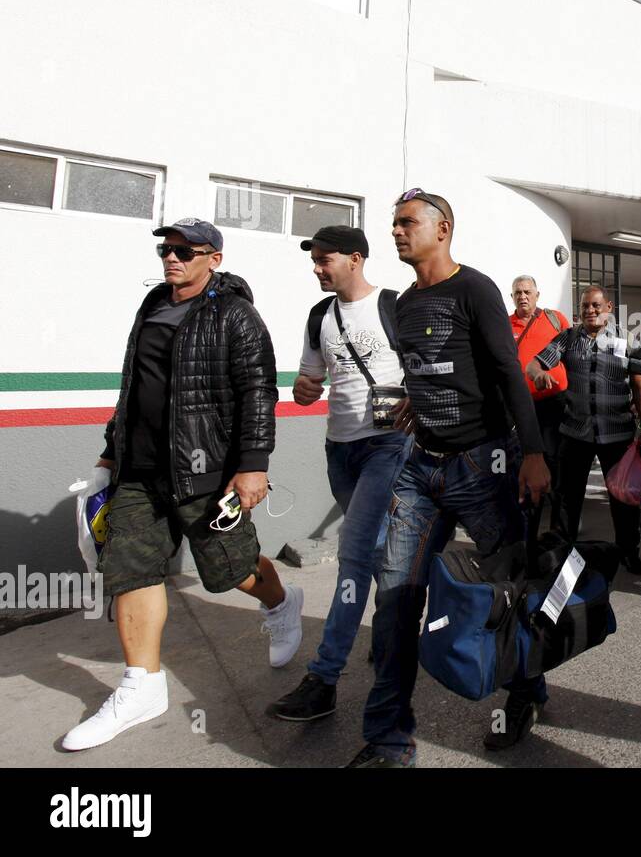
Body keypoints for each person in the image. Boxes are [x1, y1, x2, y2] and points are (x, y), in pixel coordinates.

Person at [64, 219, 301, 751]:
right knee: (130, 567)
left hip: (205, 469)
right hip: (137, 470)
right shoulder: (151, 305)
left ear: (213, 258)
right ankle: (141, 685)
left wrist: (253, 464)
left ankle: (282, 604)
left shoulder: (235, 315)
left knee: (232, 569)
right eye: (166, 249)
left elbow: (258, 392)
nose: (172, 259)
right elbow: (133, 386)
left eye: (185, 251)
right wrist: (109, 451)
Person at [348, 189, 551, 767]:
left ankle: (526, 693)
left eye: (407, 222)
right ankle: (389, 740)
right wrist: (417, 398)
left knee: (511, 589)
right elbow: (428, 367)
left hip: (482, 467)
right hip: (420, 470)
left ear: (444, 229)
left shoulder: (475, 289)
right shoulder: (405, 303)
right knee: (394, 598)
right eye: (393, 224)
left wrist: (532, 453)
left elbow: (508, 371)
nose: (395, 232)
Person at [269, 226, 412, 722]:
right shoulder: (319, 316)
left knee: (352, 555)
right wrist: (305, 390)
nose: (316, 267)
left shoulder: (395, 305)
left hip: (389, 446)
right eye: (314, 260)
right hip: (341, 451)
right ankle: (394, 634)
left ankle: (324, 678)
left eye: (325, 259)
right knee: (374, 550)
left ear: (356, 259)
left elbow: (427, 370)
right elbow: (309, 380)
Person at [527, 285, 641, 574]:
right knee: (567, 498)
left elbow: (639, 386)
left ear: (608, 307)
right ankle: (561, 552)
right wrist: (540, 374)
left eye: (596, 306)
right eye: (585, 307)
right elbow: (533, 364)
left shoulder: (627, 339)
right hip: (575, 432)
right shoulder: (569, 338)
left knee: (623, 498)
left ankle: (628, 551)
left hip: (618, 434)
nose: (590, 311)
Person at [509, 274, 571, 540]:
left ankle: (559, 525)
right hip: (522, 407)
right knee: (524, 462)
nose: (523, 296)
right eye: (518, 293)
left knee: (557, 463)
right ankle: (526, 525)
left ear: (537, 295)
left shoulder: (555, 319)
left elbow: (572, 354)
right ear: (512, 297)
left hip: (556, 404)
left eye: (527, 292)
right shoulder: (504, 324)